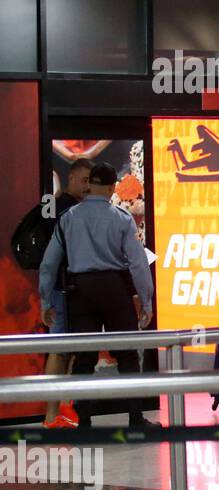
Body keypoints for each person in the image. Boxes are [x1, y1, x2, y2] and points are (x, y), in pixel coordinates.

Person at [38, 162, 153, 428]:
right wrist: (145, 301)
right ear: (112, 188)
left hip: (81, 292)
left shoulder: (67, 218)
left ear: (90, 185)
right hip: (115, 289)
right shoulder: (122, 219)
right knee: (126, 357)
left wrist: (45, 300)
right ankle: (136, 418)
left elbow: (49, 263)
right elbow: (137, 264)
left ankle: (84, 420)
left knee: (84, 358)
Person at [39, 156, 92, 426]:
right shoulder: (64, 210)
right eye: (83, 180)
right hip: (61, 291)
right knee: (59, 351)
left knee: (68, 352)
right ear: (71, 178)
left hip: (71, 291)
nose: (87, 186)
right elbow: (52, 260)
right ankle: (51, 416)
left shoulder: (73, 209)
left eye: (90, 182)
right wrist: (46, 298)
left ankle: (59, 413)